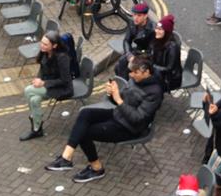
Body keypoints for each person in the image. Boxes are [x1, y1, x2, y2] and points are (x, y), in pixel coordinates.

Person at [45, 54, 163, 182]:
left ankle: (97, 169)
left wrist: (118, 99)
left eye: (135, 73)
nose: (131, 75)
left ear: (146, 72)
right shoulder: (136, 80)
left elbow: (138, 118)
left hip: (130, 128)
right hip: (119, 115)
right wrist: (112, 94)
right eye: (131, 72)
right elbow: (118, 100)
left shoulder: (155, 92)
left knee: (85, 133)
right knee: (85, 113)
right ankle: (66, 157)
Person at [19, 31, 73, 141]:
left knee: (28, 91)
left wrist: (44, 83)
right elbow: (42, 69)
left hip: (62, 89)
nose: (41, 46)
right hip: (49, 85)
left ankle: (34, 119)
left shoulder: (63, 58)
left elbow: (65, 81)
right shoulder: (45, 52)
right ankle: (37, 129)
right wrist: (39, 79)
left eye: (45, 44)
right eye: (42, 43)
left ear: (54, 46)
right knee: (34, 100)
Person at [149, 15, 182, 92]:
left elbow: (169, 69)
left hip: (170, 79)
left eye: (160, 29)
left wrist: (151, 66)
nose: (156, 31)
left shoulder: (172, 48)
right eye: (156, 28)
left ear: (166, 32)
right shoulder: (157, 40)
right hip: (159, 71)